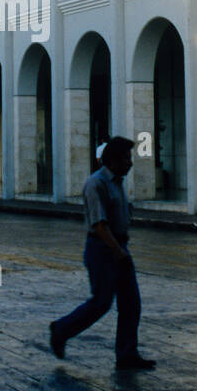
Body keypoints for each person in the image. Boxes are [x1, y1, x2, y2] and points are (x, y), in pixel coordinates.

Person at [49, 135, 156, 370]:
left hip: (119, 247)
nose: (130, 162)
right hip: (103, 248)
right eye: (127, 158)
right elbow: (99, 224)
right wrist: (118, 253)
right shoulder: (95, 184)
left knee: (131, 303)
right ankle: (61, 329)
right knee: (101, 302)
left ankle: (127, 354)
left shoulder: (117, 182)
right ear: (114, 160)